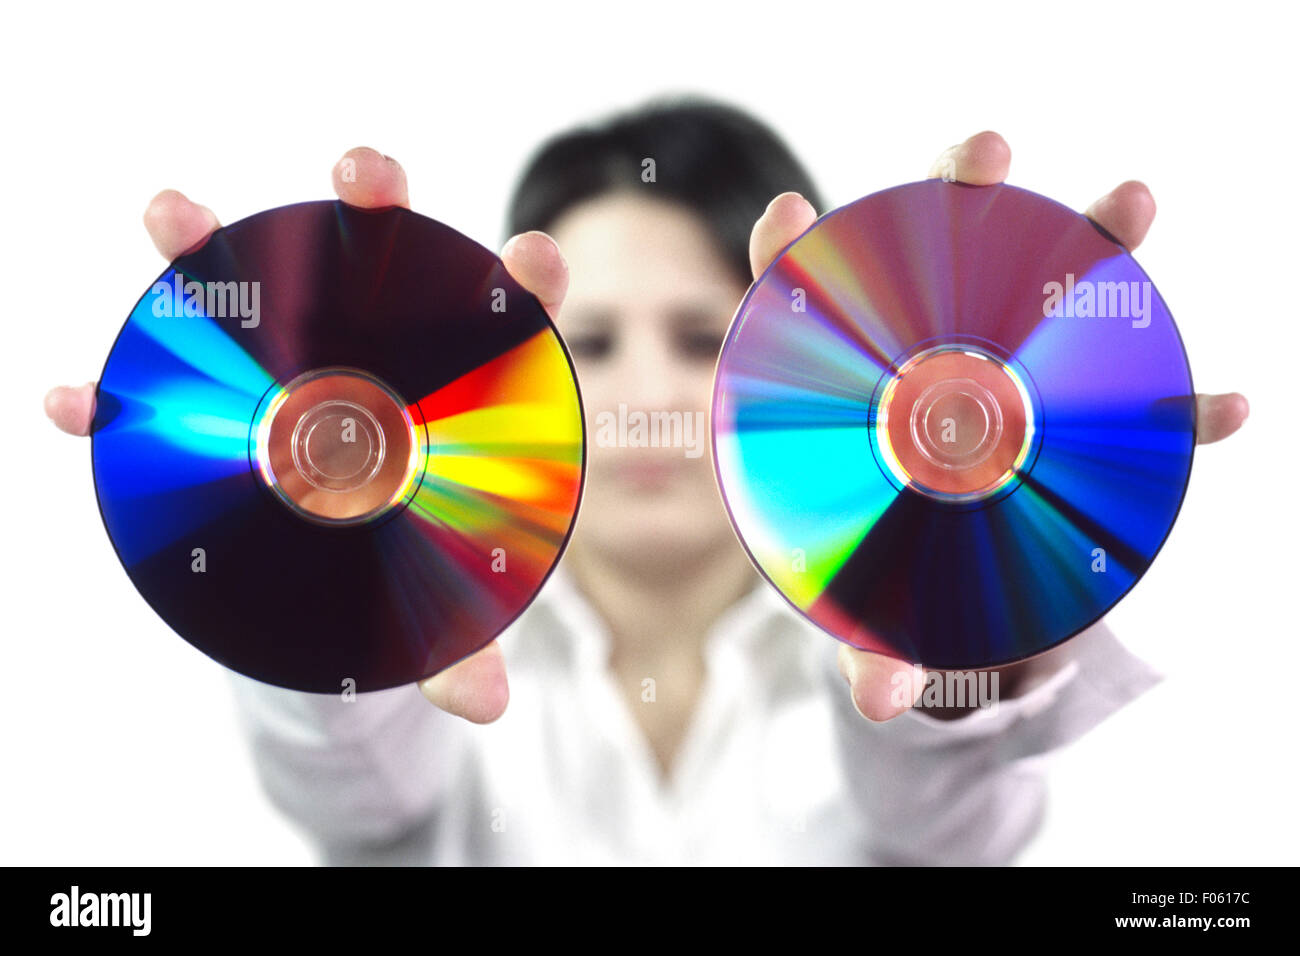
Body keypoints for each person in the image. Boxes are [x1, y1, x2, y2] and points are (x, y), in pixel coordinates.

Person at [45, 96, 1249, 865]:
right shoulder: (443, 638)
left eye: (701, 334)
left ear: (815, 369)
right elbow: (361, 800)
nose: (644, 394)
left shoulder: (875, 645)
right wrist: (337, 574)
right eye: (594, 340)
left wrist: (957, 640)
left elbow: (937, 820)